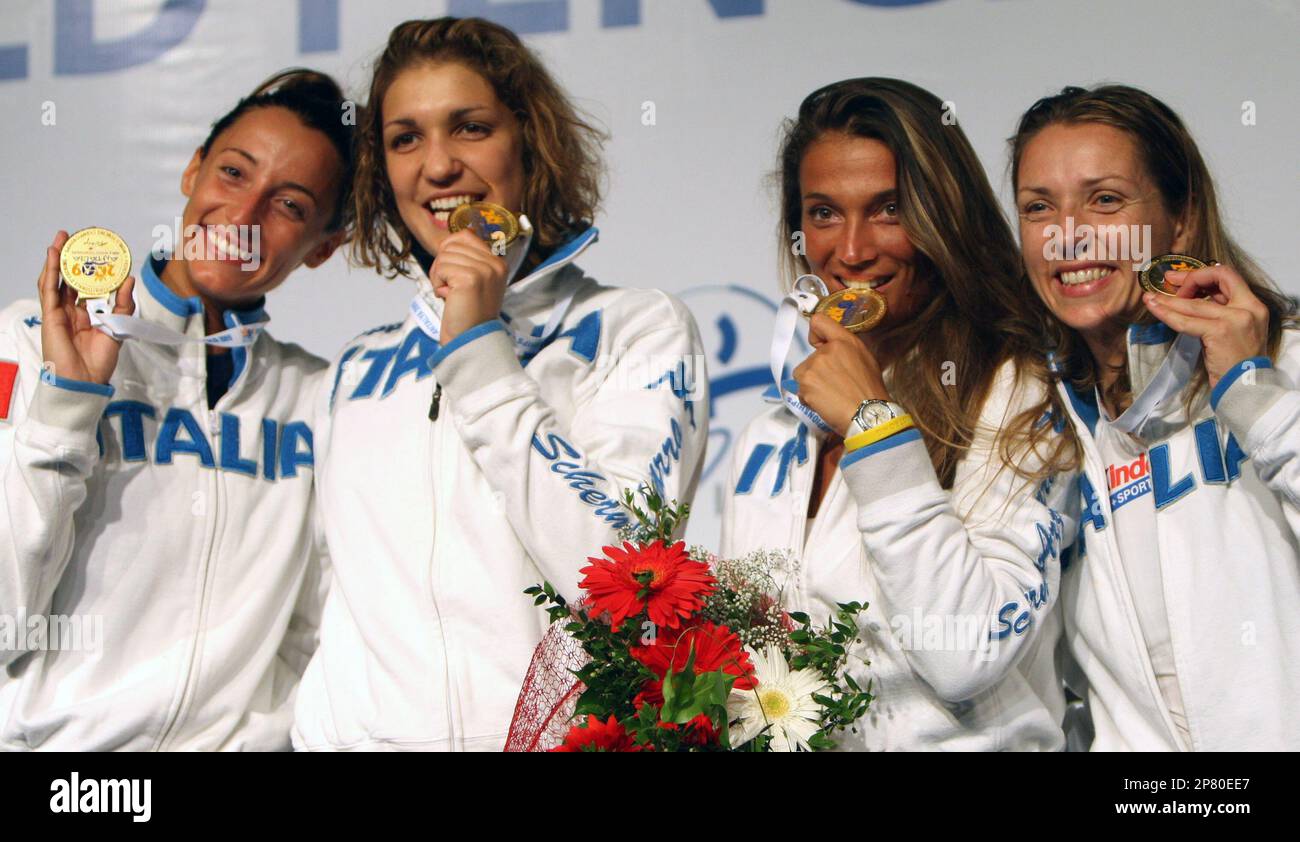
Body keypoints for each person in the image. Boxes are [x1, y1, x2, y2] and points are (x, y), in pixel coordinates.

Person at [292, 17, 708, 751]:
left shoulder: (636, 329)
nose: (439, 166)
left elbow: (623, 582)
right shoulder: (356, 369)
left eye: (471, 127)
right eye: (405, 139)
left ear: (530, 139)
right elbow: (329, 604)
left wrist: (482, 353)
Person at [0, 69, 352, 750]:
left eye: (289, 205)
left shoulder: (318, 398)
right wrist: (68, 408)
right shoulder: (29, 341)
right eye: (232, 173)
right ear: (193, 170)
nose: (243, 218)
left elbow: (319, 632)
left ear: (324, 247)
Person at [721, 77, 1077, 750]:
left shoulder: (1020, 394)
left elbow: (966, 653)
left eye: (888, 210)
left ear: (945, 216)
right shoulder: (770, 437)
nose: (852, 251)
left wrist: (875, 429)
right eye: (823, 213)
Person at [1011, 84, 1300, 751]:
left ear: (1180, 216)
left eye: (1105, 199)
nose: (1068, 236)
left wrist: (1254, 395)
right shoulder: (1039, 421)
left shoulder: (1283, 354)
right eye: (1038, 207)